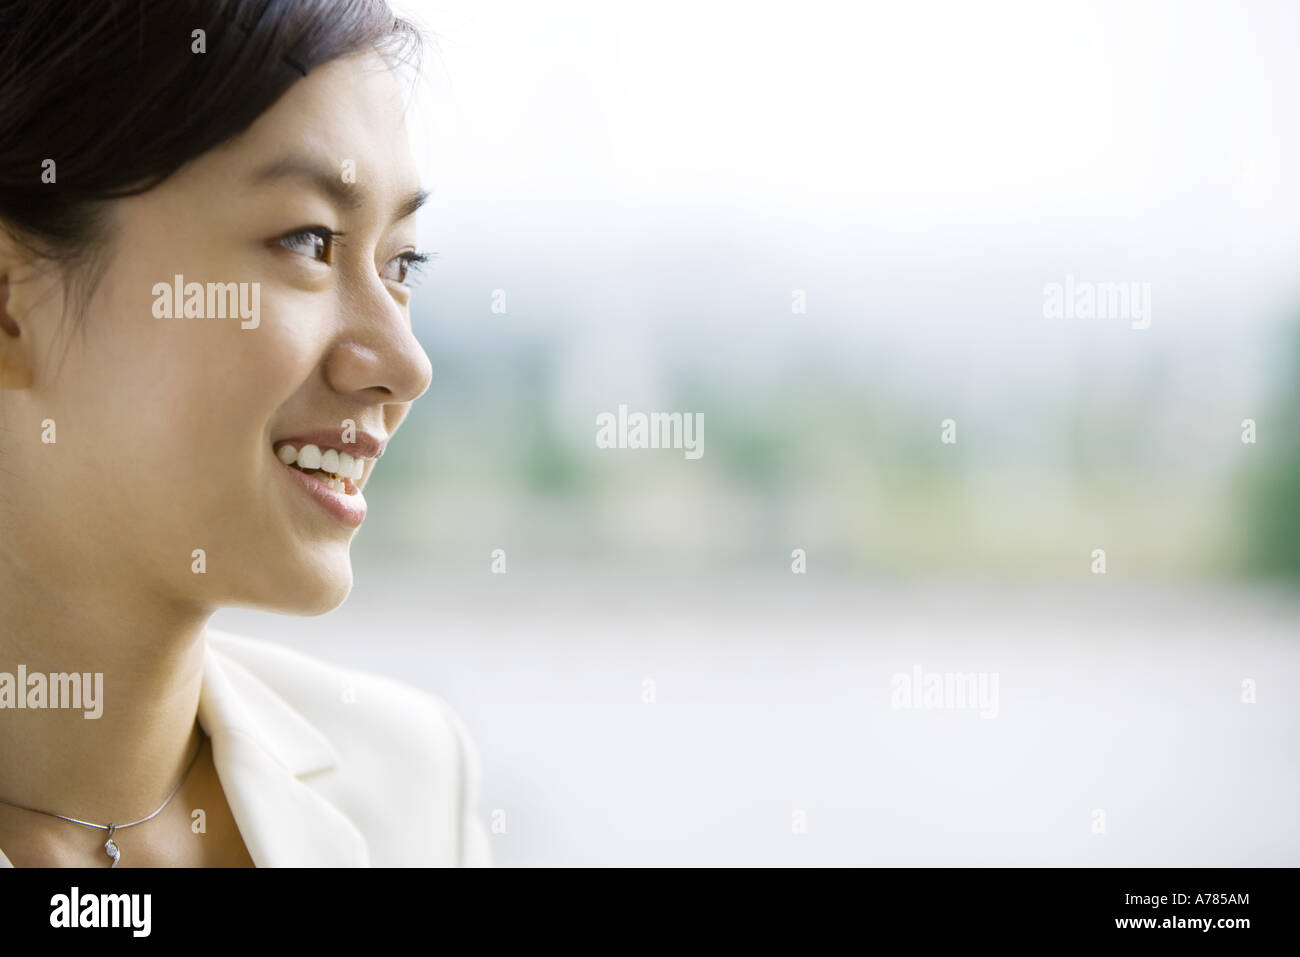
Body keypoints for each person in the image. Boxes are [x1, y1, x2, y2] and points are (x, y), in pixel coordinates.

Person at [0, 0, 490, 867]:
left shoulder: (411, 786)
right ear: (12, 305)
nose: (405, 364)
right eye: (308, 240)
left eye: (401, 264)